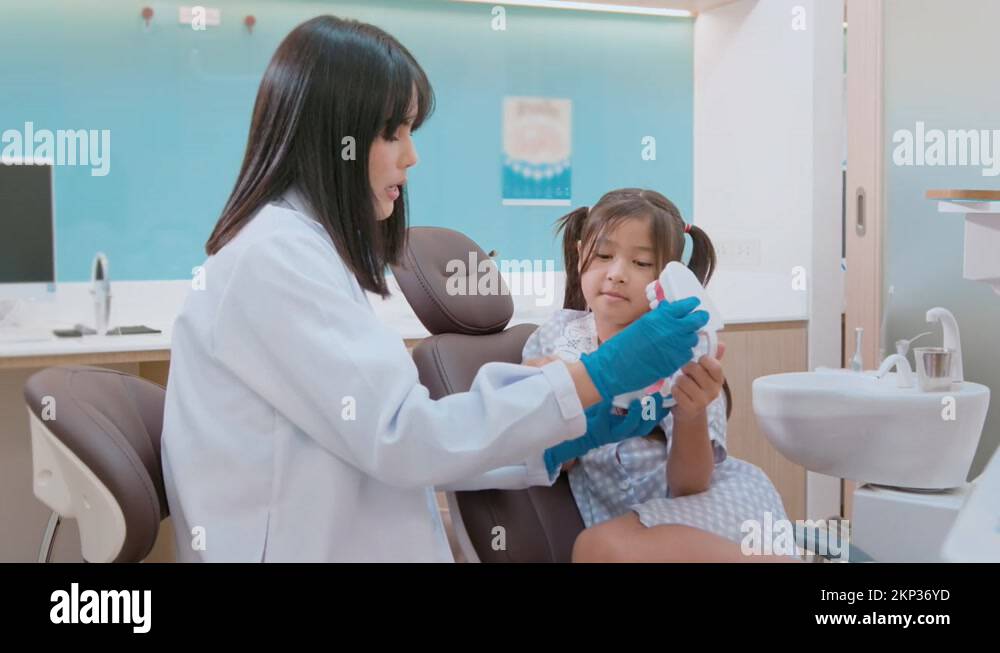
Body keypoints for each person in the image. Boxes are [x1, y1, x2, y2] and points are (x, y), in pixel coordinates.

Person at [160, 17, 707, 562]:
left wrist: (568, 436)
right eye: (392, 132)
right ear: (333, 138)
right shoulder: (273, 260)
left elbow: (402, 443)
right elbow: (404, 439)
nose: (411, 155)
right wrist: (599, 376)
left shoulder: (303, 254)